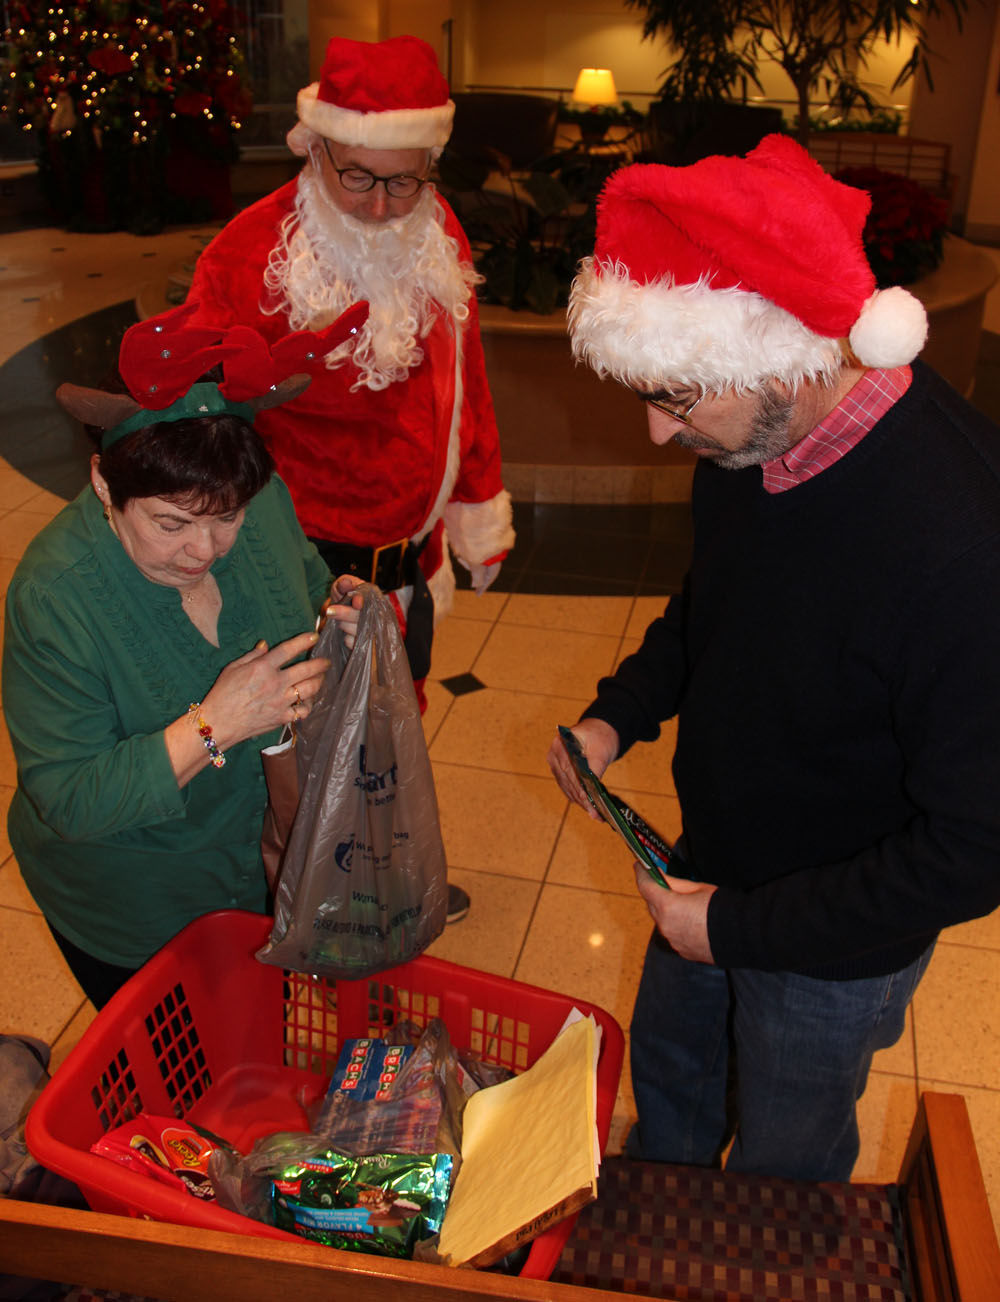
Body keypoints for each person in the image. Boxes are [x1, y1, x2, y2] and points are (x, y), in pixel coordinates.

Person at [547, 135, 1000, 1182]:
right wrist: (619, 714)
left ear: (788, 359)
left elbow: (975, 847)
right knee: (670, 1077)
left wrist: (744, 926)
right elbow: (718, 604)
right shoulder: (744, 441)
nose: (659, 437)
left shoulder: (962, 547)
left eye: (677, 399)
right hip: (708, 865)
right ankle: (660, 1234)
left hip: (834, 943)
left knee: (784, 1162)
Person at [185, 34, 516, 926]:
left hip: (407, 558)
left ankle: (386, 880)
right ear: (313, 148)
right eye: (357, 178)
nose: (379, 207)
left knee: (391, 738)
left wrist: (478, 503)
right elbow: (185, 414)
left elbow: (462, 383)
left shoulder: (435, 232)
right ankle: (308, 912)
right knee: (297, 762)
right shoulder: (248, 251)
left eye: (404, 181)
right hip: (291, 562)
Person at [2, 303, 368, 1011]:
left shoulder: (256, 500)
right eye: (171, 524)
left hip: (264, 860)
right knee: (177, 1077)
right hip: (136, 904)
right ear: (106, 486)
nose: (204, 550)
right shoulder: (54, 596)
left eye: (226, 518)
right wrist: (213, 726)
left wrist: (341, 611)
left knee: (260, 1036)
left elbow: (310, 577)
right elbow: (68, 799)